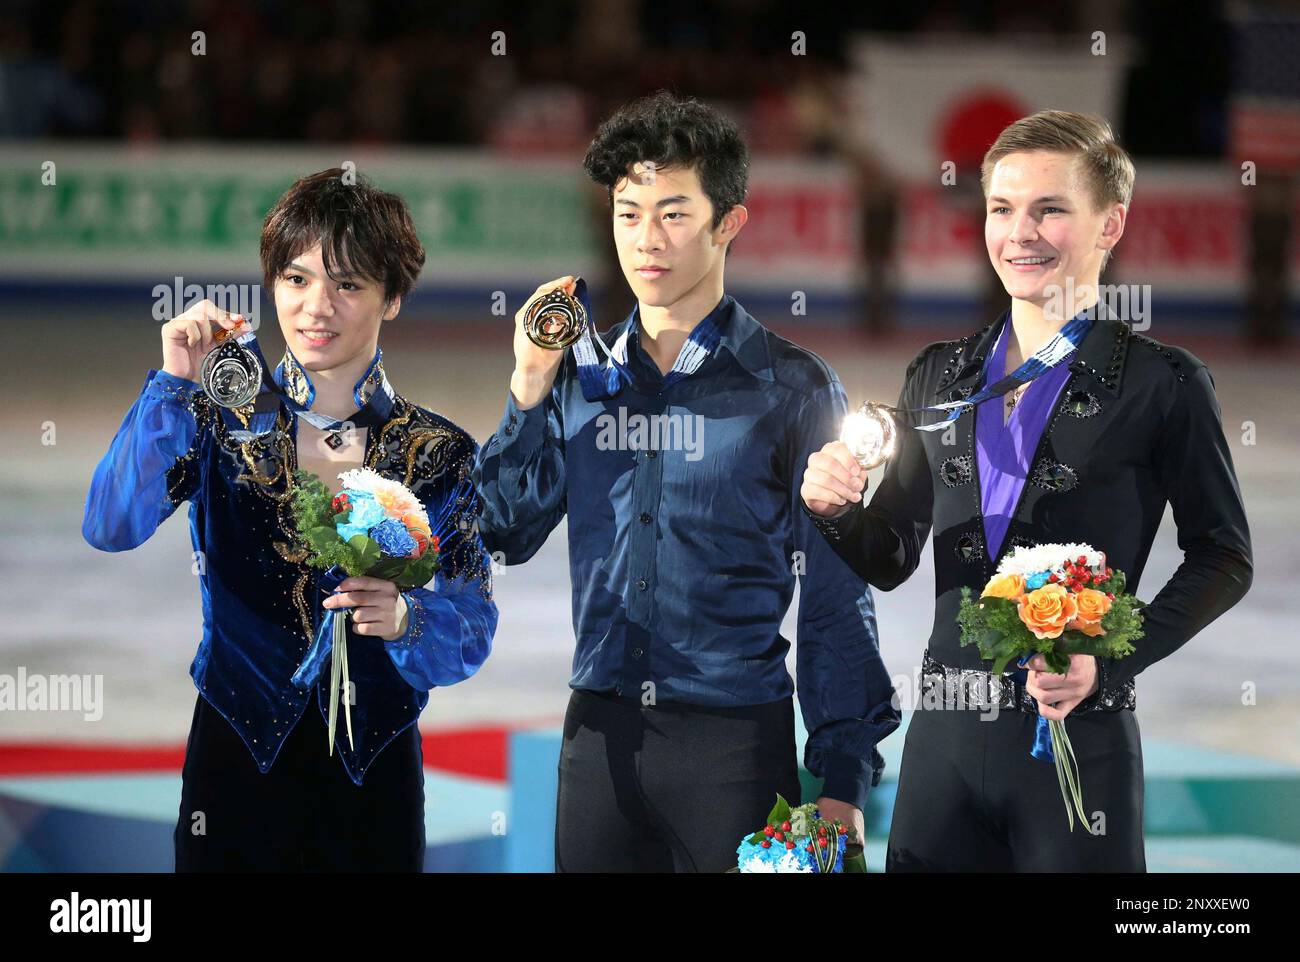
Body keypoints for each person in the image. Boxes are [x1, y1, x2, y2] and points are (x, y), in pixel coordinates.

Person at [801, 110, 1252, 871]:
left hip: (1075, 745)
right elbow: (890, 557)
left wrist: (1107, 661)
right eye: (1002, 209)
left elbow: (1224, 557)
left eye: (1050, 209)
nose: (1021, 233)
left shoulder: (1162, 384)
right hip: (942, 747)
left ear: (1110, 225)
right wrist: (837, 510)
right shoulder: (939, 375)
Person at [474, 90, 898, 873]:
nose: (646, 240)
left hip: (733, 749)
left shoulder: (794, 388)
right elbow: (501, 530)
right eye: (627, 214)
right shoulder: (580, 375)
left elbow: (838, 596)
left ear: (729, 221)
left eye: (673, 214)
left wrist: (842, 777)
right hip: (596, 742)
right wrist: (527, 388)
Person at [82, 168, 498, 872]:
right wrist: (173, 385)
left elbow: (472, 625)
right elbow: (111, 523)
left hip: (375, 779)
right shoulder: (221, 419)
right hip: (235, 766)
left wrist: (408, 622)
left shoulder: (437, 453)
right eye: (297, 280)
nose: (317, 307)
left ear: (392, 298)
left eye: (349, 284)